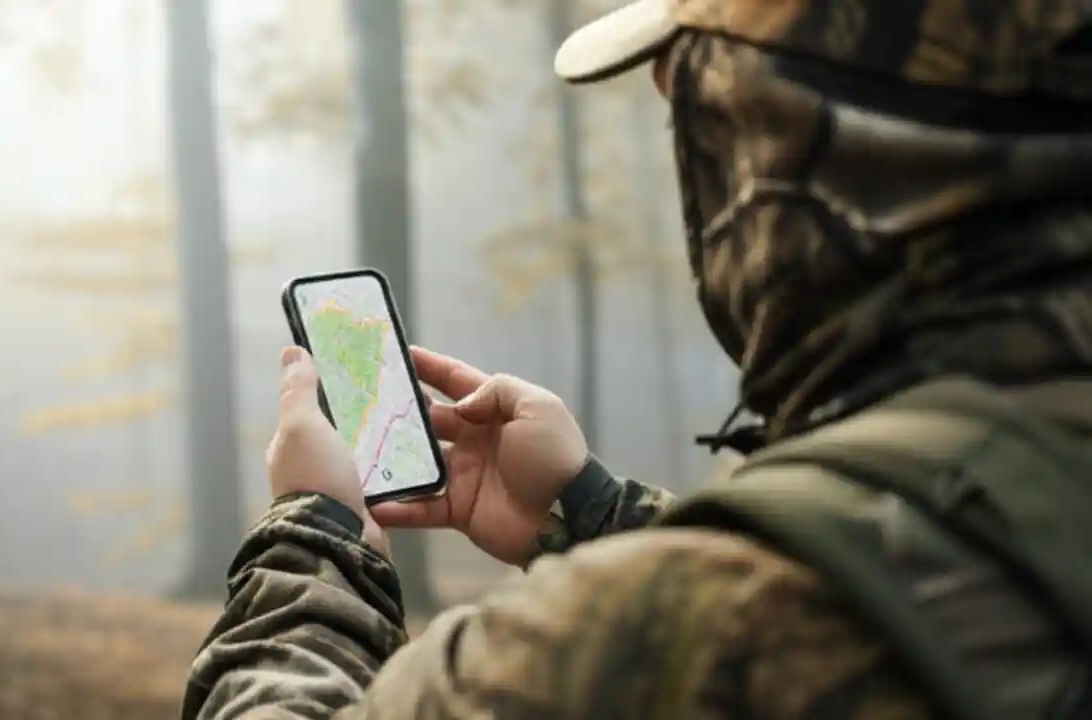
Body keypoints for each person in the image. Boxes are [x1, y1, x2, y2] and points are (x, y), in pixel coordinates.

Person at [183, 0, 1092, 716]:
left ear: (772, 151)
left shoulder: (671, 628)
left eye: (694, 108)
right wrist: (593, 513)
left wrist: (315, 535)